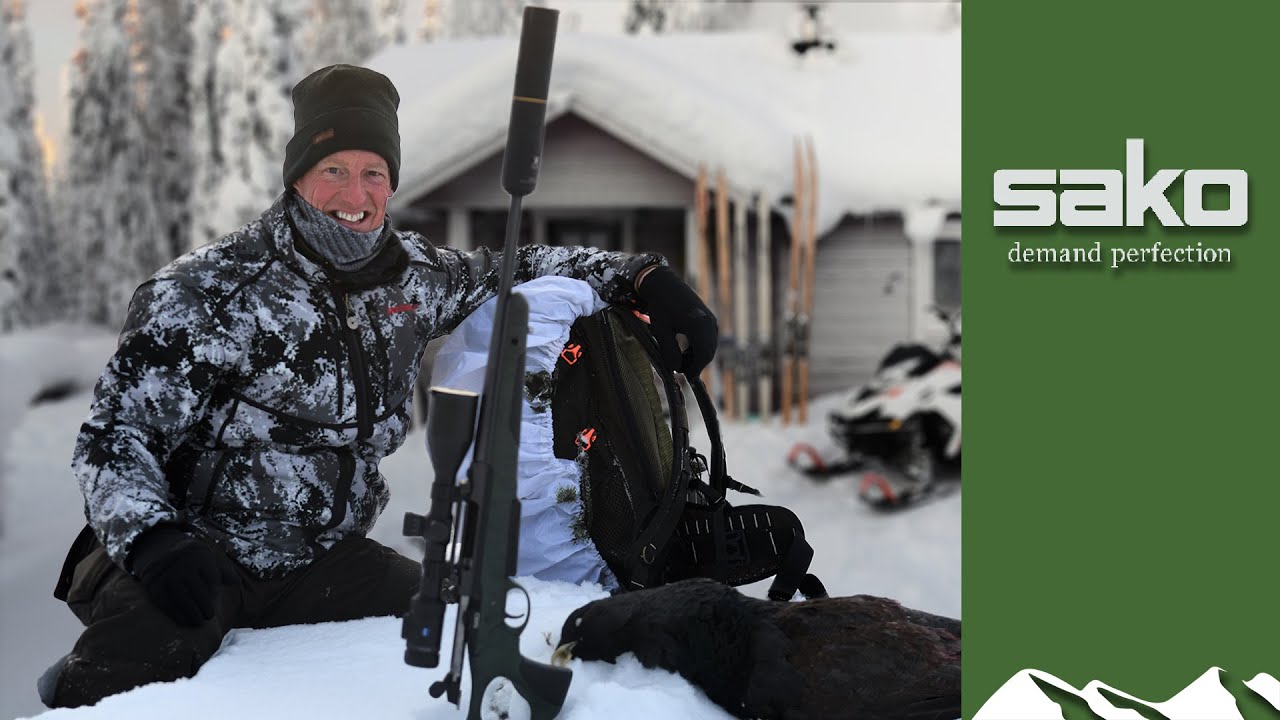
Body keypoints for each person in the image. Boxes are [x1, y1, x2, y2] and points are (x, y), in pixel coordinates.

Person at [38, 63, 717, 709]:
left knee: (450, 634)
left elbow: (526, 264)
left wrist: (643, 278)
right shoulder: (208, 291)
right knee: (128, 683)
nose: (355, 197)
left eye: (373, 173)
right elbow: (114, 437)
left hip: (321, 557)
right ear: (298, 175)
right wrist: (154, 541)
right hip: (191, 552)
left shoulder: (412, 277)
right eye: (334, 170)